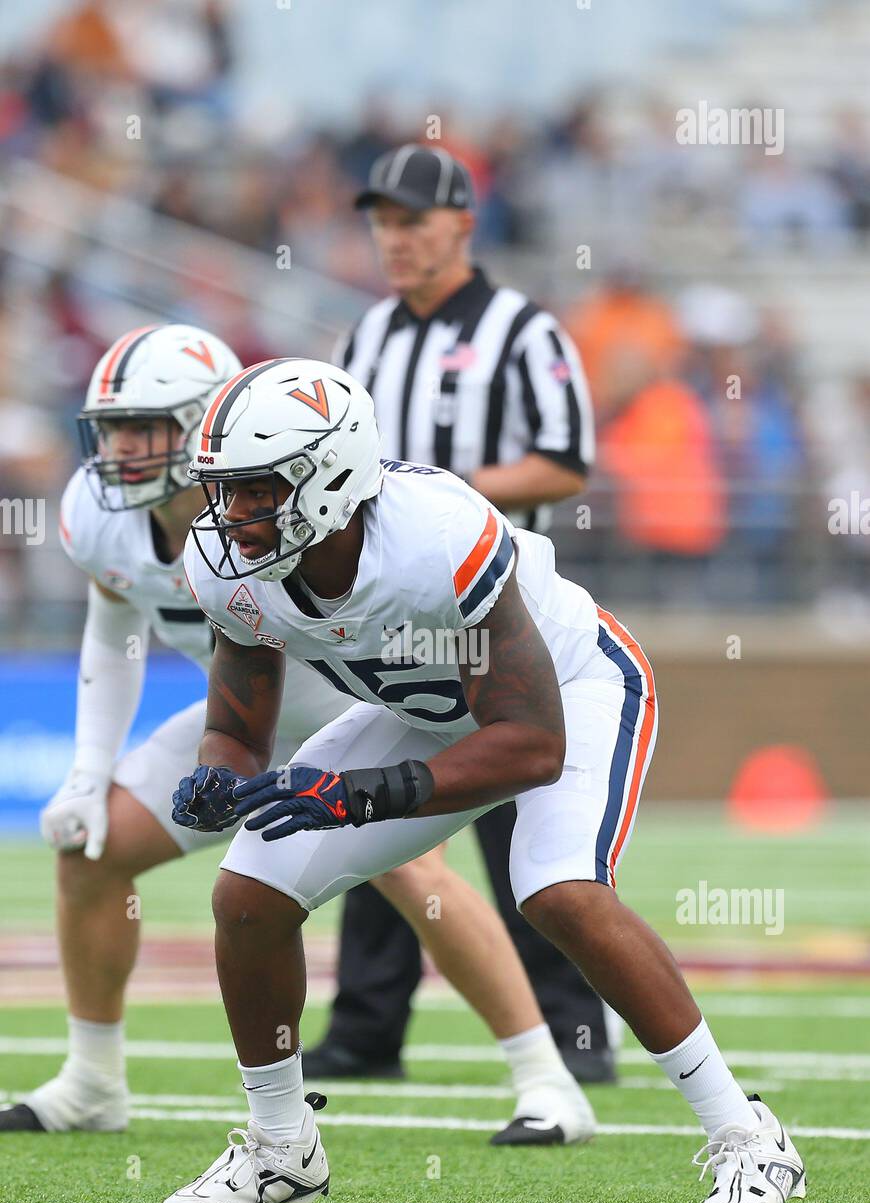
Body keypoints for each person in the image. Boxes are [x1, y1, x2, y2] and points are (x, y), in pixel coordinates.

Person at [165, 357, 806, 1203]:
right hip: (427, 710)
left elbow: (532, 745)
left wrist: (362, 793)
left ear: (329, 478)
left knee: (559, 891)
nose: (231, 514)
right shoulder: (232, 566)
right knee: (248, 895)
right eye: (224, 489)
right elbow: (240, 728)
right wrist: (220, 776)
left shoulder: (434, 535)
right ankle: (282, 1150)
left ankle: (748, 1135)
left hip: (570, 689)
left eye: (256, 488)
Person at [0, 324, 593, 1148]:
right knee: (92, 849)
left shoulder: (294, 506)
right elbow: (114, 634)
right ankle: (93, 1080)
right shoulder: (102, 517)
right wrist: (86, 772)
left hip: (340, 707)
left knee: (412, 875)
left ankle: (544, 1077)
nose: (123, 449)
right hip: (242, 724)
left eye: (145, 427)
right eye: (114, 429)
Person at [307, 141, 616, 1085]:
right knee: (382, 796)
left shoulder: (524, 331)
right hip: (393, 609)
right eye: (382, 223)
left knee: (521, 812)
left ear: (463, 225)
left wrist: (440, 493)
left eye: (413, 221)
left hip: (492, 603)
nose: (394, 240)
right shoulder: (367, 335)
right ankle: (367, 1029)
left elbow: (564, 462)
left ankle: (573, 1033)